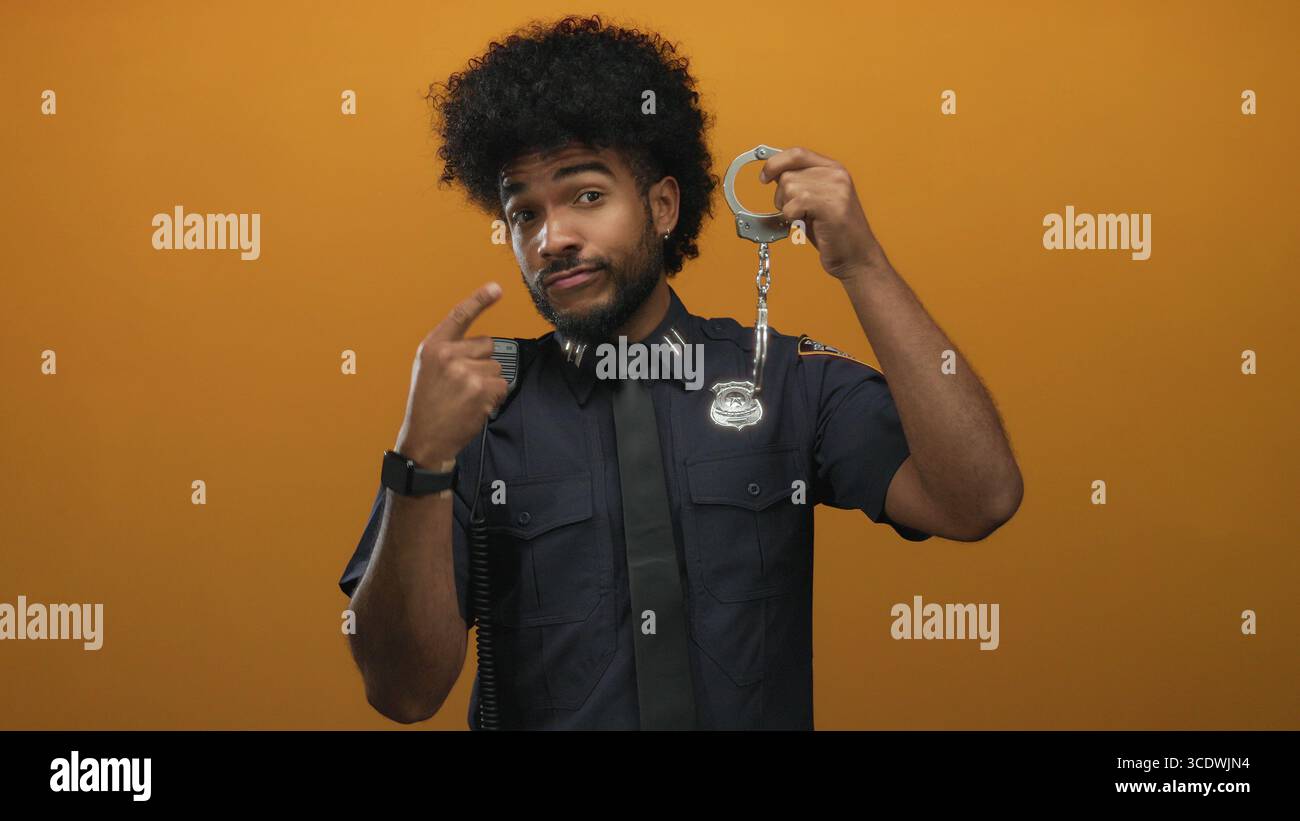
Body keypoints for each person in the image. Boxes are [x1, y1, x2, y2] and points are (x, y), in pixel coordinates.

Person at [338, 15, 1023, 730]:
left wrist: (862, 265)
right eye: (524, 213)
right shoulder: (474, 412)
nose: (553, 237)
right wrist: (421, 462)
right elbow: (402, 692)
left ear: (663, 206)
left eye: (586, 196)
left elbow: (978, 499)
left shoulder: (784, 377)